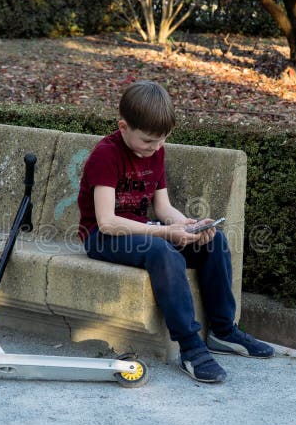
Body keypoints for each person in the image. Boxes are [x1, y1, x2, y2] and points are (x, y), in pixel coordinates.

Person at [77, 80, 274, 383]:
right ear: (123, 127)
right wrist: (167, 233)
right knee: (162, 251)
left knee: (214, 241)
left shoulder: (156, 151)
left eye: (161, 141)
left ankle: (223, 331)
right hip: (103, 238)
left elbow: (163, 208)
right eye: (147, 141)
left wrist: (188, 226)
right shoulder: (106, 154)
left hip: (140, 231)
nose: (155, 148)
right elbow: (107, 222)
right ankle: (191, 349)